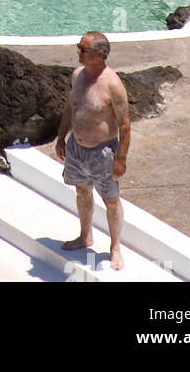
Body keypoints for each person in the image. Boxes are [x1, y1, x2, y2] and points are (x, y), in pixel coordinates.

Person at [55, 32, 130, 271]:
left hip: (103, 152)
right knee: (82, 191)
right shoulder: (77, 76)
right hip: (77, 148)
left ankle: (115, 247)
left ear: (99, 54)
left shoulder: (113, 84)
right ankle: (85, 235)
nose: (78, 52)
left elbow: (124, 124)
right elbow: (70, 108)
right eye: (79, 47)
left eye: (83, 49)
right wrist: (60, 137)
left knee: (110, 200)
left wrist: (121, 159)